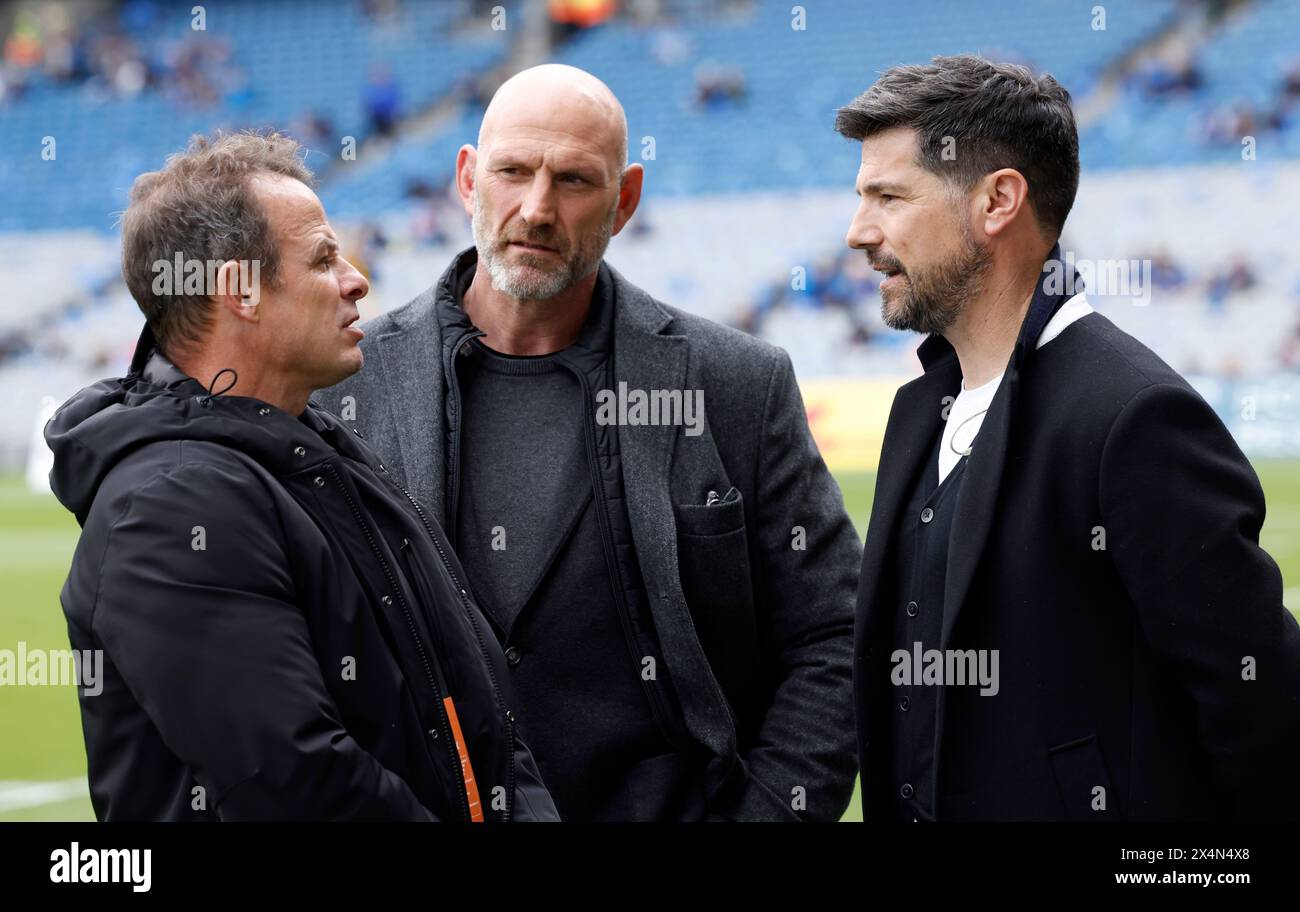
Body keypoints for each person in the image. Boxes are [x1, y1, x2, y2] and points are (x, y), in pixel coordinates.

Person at [317, 64, 861, 821]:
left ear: (625, 200)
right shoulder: (342, 387)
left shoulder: (737, 382)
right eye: (513, 172)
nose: (537, 209)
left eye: (573, 181)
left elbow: (835, 633)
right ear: (468, 180)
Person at [46, 130, 557, 822]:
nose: (357, 279)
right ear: (241, 292)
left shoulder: (322, 453)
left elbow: (481, 700)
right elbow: (300, 785)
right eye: (323, 259)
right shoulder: (170, 505)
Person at [839, 54, 1300, 821]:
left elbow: (1267, 719)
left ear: (998, 201)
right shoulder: (918, 410)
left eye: (888, 196)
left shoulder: (1136, 417)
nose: (859, 232)